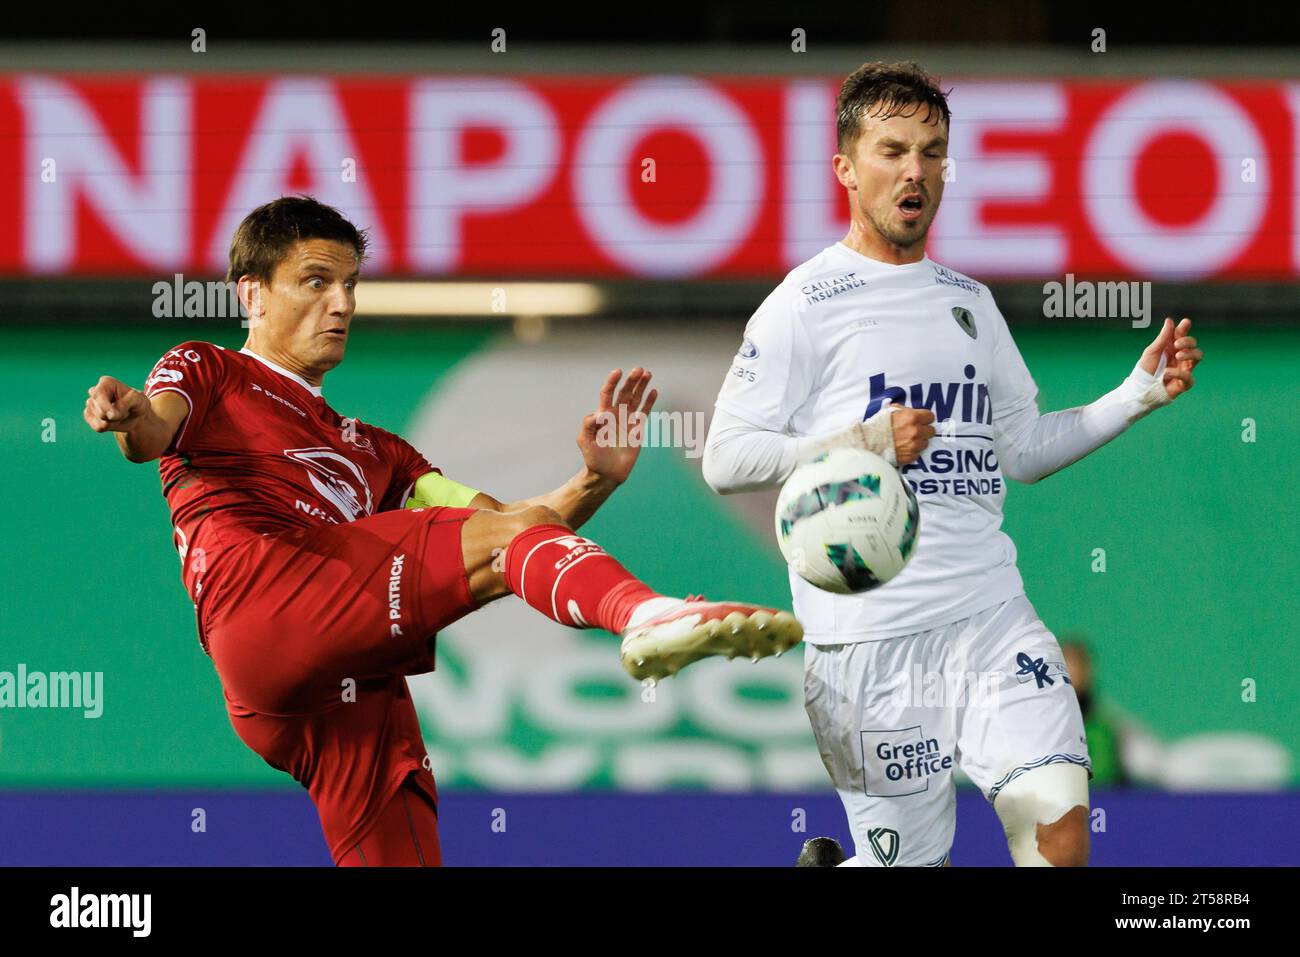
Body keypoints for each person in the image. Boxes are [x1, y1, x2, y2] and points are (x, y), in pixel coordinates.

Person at [83, 196, 801, 866]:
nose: (341, 303)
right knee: (493, 543)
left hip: (326, 687)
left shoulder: (379, 450)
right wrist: (126, 417)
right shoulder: (210, 367)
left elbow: (511, 531)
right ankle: (644, 614)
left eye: (351, 285)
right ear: (252, 293)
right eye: (314, 281)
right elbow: (153, 430)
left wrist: (594, 482)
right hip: (263, 601)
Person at [701, 62, 1202, 867]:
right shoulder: (804, 302)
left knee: (1060, 841)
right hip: (866, 647)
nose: (915, 171)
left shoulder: (968, 301)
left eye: (933, 152)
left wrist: (1134, 395)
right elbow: (725, 459)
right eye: (893, 149)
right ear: (845, 168)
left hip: (990, 620)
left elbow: (1025, 450)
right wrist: (864, 444)